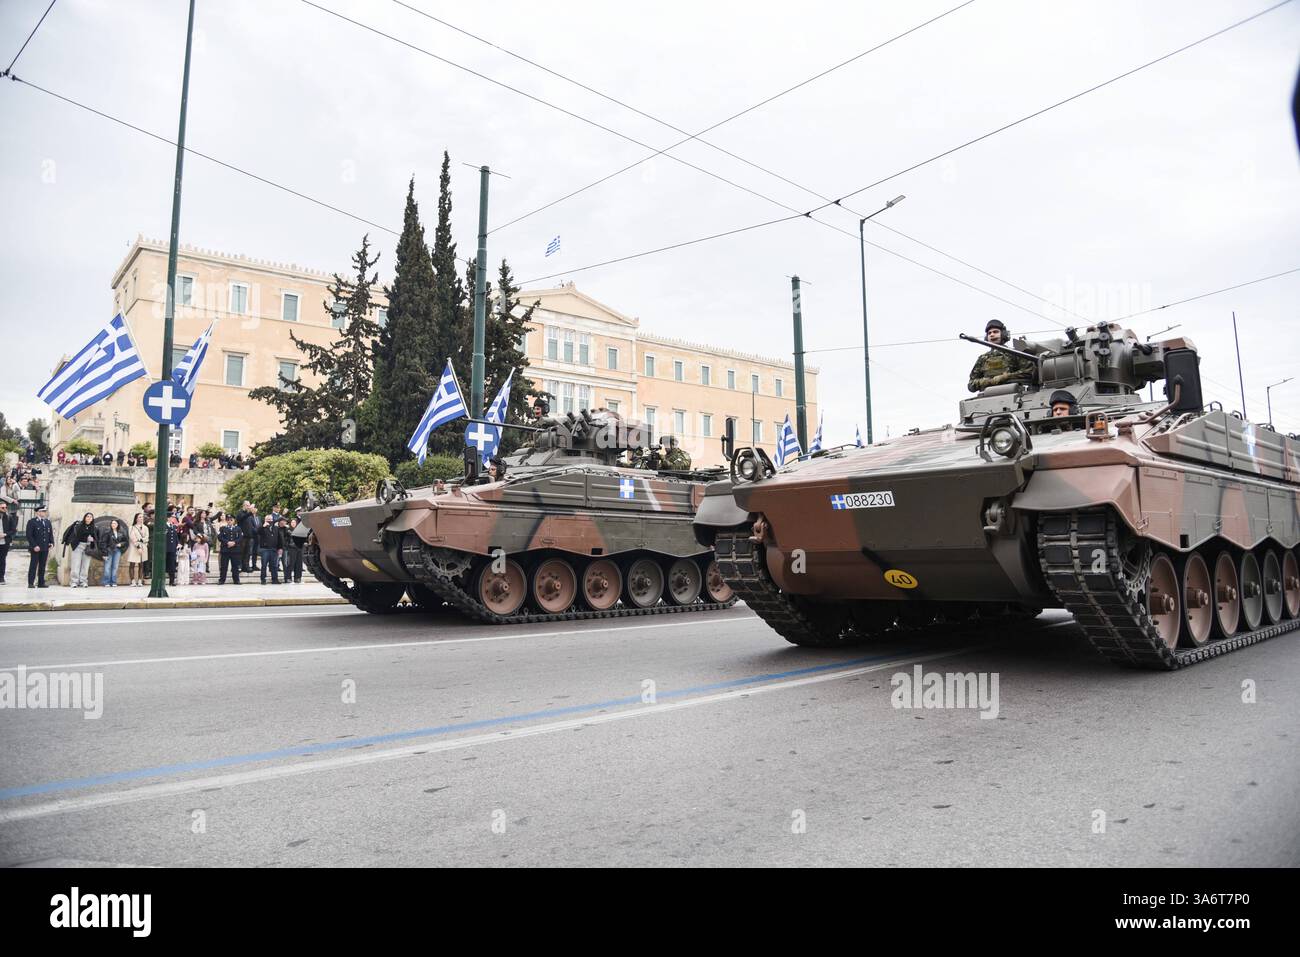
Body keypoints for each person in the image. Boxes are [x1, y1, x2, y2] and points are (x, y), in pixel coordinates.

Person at [967, 319, 1037, 393]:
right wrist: (987, 381)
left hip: (1013, 392)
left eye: (995, 332)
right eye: (989, 333)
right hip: (988, 395)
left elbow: (1028, 372)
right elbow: (971, 385)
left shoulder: (1014, 353)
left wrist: (1005, 377)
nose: (992, 335)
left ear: (1003, 334)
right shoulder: (983, 359)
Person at [63, 511, 97, 588]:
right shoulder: (79, 526)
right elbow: (76, 536)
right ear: (85, 518)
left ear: (92, 519)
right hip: (78, 546)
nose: (89, 518)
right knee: (76, 564)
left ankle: (83, 581)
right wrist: (86, 538)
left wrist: (92, 540)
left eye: (90, 517)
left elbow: (96, 538)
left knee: (85, 566)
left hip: (88, 547)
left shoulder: (94, 527)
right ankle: (74, 581)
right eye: (87, 516)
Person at [26, 506, 54, 588]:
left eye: (45, 511)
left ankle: (41, 582)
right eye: (42, 511)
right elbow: (29, 535)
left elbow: (50, 534)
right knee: (33, 565)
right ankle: (31, 583)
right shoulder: (32, 522)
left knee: (42, 565)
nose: (44, 513)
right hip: (36, 548)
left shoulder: (47, 522)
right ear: (37, 512)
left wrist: (51, 542)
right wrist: (34, 545)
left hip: (45, 547)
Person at [97, 518, 128, 587]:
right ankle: (106, 582)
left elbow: (126, 541)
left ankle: (113, 582)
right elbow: (103, 543)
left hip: (117, 551)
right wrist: (104, 553)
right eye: (112, 523)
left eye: (115, 523)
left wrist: (121, 544)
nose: (113, 525)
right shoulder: (107, 532)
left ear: (117, 525)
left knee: (115, 567)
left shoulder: (121, 533)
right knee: (107, 567)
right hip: (109, 551)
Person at [218, 515, 243, 584]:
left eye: (231, 520)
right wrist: (227, 542)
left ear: (234, 521)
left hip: (235, 550)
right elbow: (220, 537)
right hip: (225, 550)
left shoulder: (238, 528)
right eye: (228, 520)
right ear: (226, 521)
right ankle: (222, 580)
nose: (230, 521)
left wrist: (234, 542)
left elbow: (240, 537)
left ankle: (236, 580)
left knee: (235, 566)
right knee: (224, 566)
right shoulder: (223, 528)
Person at [257, 515, 281, 584]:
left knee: (274, 565)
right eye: (268, 519)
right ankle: (263, 579)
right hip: (265, 549)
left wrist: (280, 548)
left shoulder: (276, 528)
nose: (270, 521)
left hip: (274, 549)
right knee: (264, 565)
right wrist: (263, 526)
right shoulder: (262, 527)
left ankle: (274, 579)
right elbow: (257, 532)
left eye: (271, 519)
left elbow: (279, 539)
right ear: (265, 520)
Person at [127, 512, 148, 585]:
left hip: (143, 547)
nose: (141, 518)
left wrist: (142, 541)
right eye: (139, 517)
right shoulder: (132, 527)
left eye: (142, 517)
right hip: (134, 547)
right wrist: (138, 546)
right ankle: (132, 581)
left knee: (141, 565)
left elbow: (147, 537)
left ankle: (139, 580)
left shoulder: (145, 527)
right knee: (132, 564)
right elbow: (132, 538)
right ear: (136, 518)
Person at [237, 501, 259, 572]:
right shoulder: (240, 512)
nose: (248, 507)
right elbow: (241, 518)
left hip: (249, 536)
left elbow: (251, 525)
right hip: (242, 536)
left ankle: (245, 566)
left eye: (249, 505)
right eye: (247, 505)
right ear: (243, 505)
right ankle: (239, 566)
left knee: (247, 553)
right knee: (241, 552)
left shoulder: (249, 515)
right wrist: (250, 512)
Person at [282, 518, 303, 584]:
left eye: (294, 522)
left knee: (299, 564)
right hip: (291, 548)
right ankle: (288, 578)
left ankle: (297, 578)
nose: (293, 523)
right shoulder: (287, 530)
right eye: (292, 522)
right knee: (291, 563)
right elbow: (285, 539)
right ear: (290, 523)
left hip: (299, 549)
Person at [0, 501, 16, 584]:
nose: (5, 509)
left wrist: (5, 534)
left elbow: (13, 530)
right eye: (3, 507)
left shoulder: (9, 517)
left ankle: (1, 577)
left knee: (2, 560)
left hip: (4, 542)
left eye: (6, 507)